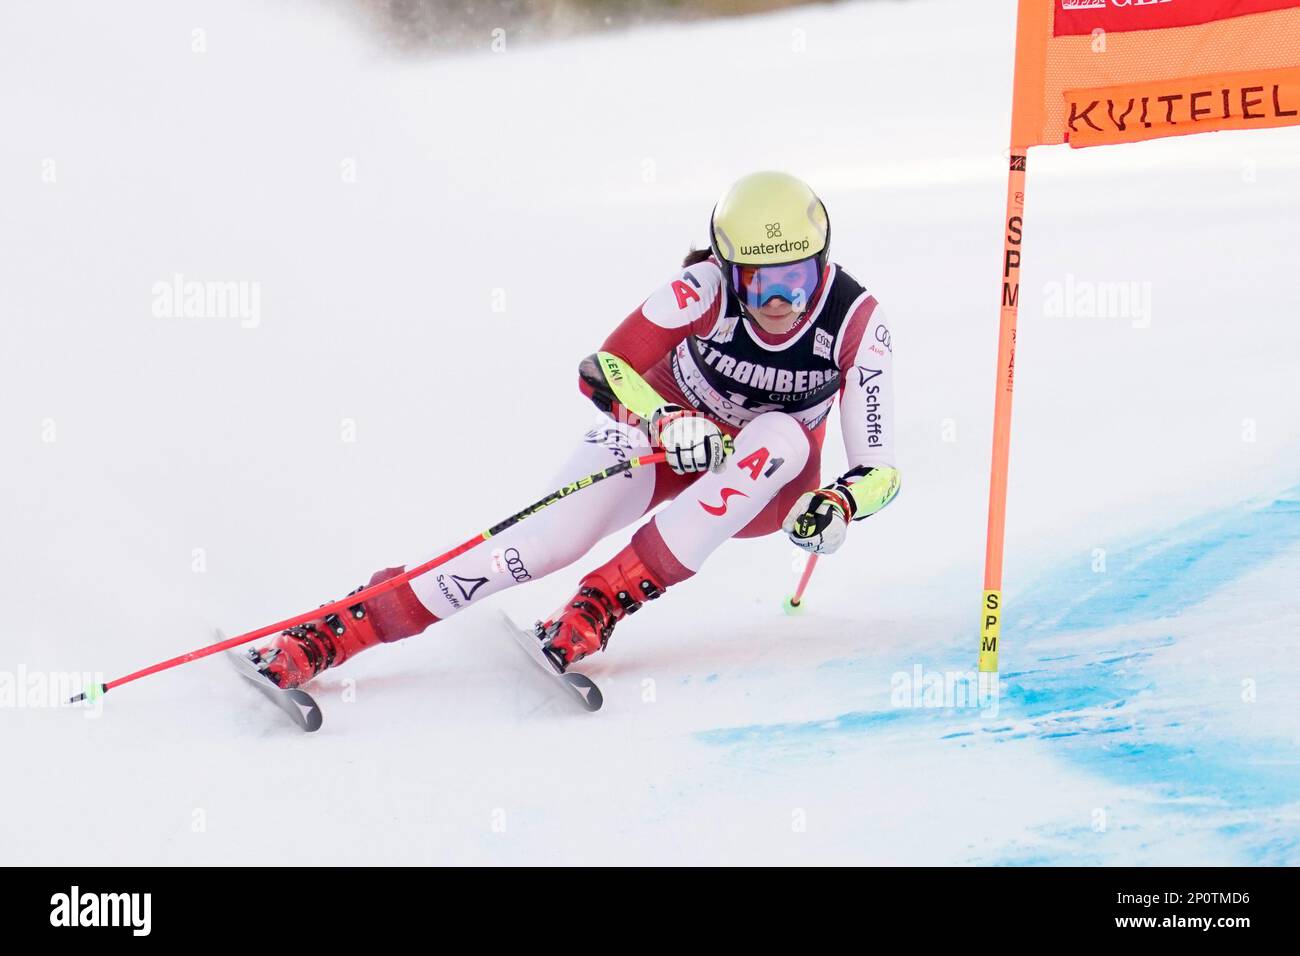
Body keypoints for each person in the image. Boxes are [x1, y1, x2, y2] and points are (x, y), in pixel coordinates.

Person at [247, 171, 900, 688]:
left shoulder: (856, 321)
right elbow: (603, 369)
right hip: (663, 444)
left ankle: (601, 601)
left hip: (767, 486)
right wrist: (662, 418)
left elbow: (881, 469)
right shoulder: (698, 289)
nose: (782, 304)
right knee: (540, 545)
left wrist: (838, 503)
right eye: (760, 286)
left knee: (779, 435)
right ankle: (342, 629)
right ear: (730, 270)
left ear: (824, 261)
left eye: (799, 278)